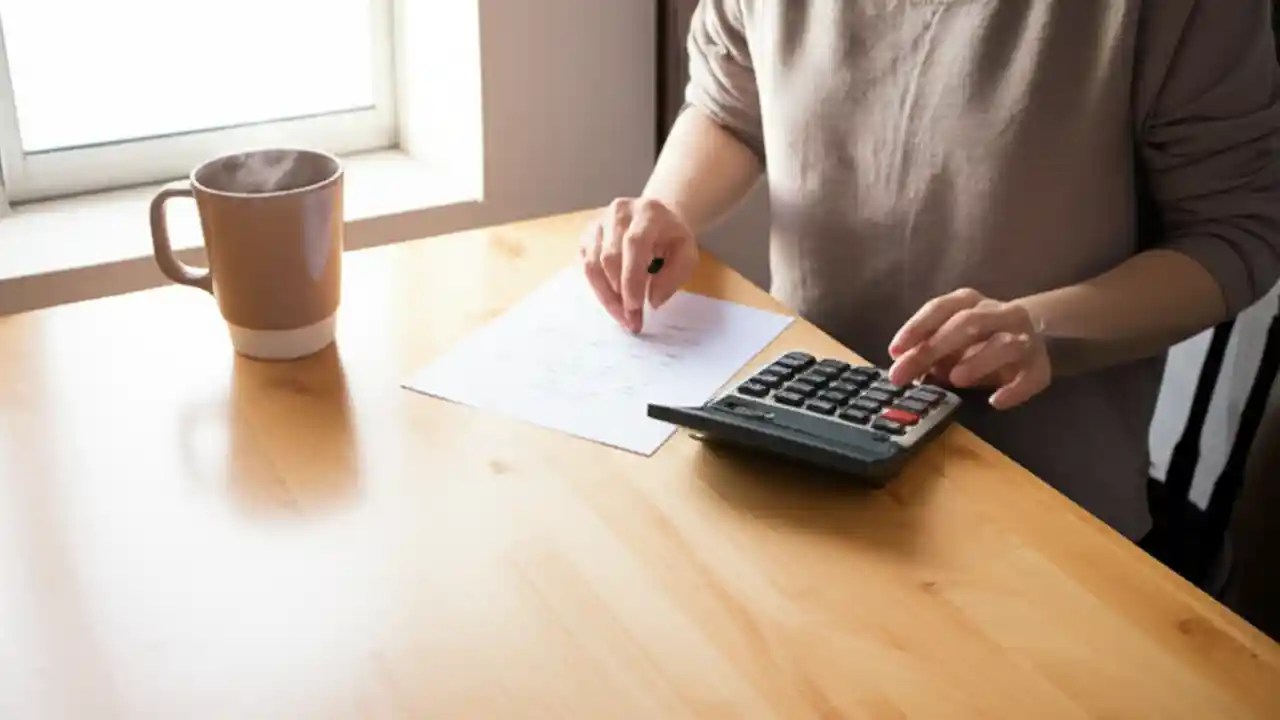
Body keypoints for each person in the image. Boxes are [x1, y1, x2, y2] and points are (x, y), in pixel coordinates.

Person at [580, 0, 1280, 540]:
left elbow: (1236, 234)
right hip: (783, 439)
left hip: (1032, 495)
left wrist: (1039, 329)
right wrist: (666, 209)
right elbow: (731, 108)